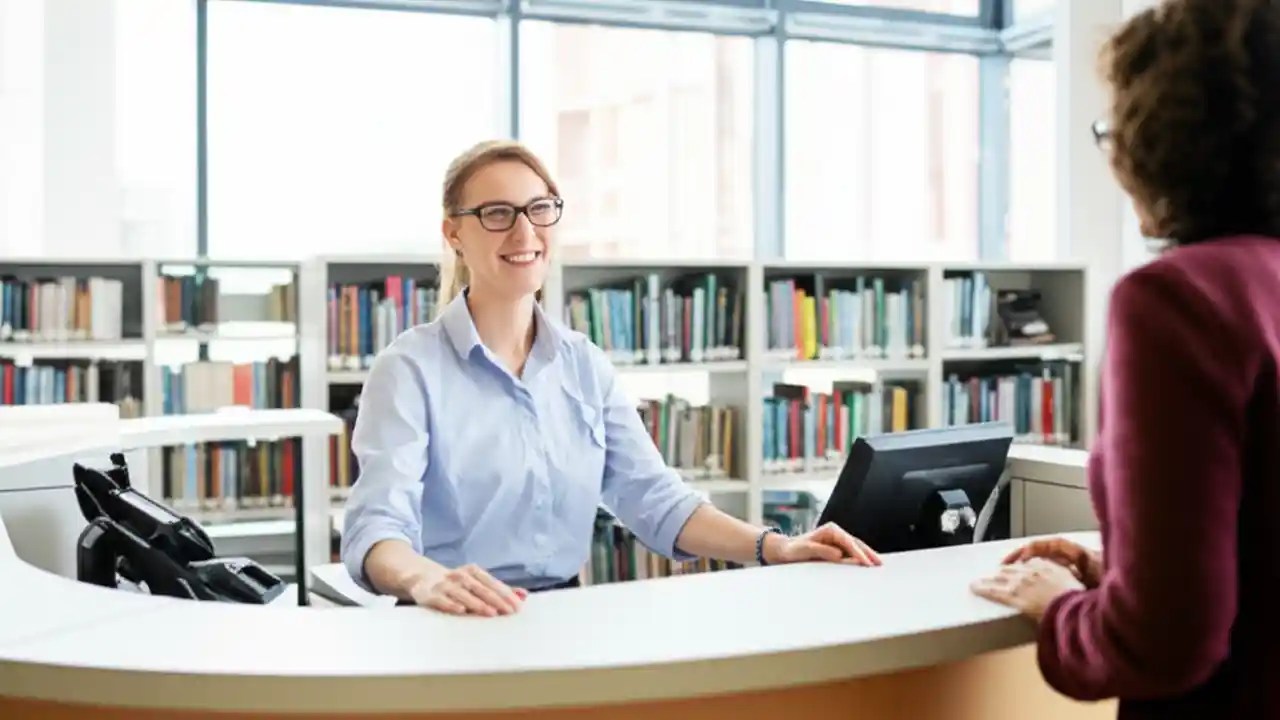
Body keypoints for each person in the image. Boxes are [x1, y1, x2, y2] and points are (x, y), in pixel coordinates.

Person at [340, 139, 881, 617]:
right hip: (447, 621)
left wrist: (776, 546)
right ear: (454, 232)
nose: (525, 231)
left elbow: (655, 499)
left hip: (566, 618)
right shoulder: (409, 369)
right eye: (498, 213)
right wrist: (427, 579)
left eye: (539, 209)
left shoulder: (582, 363)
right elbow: (376, 528)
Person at [970, 1, 1280, 717]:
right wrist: (1123, 577)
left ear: (1161, 137)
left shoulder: (1176, 301)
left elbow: (1165, 643)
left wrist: (1059, 610)